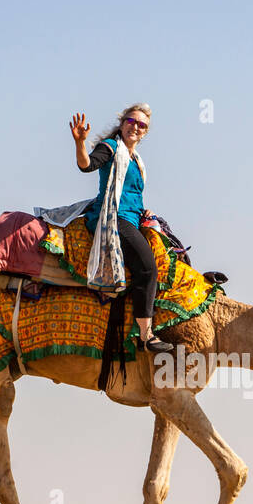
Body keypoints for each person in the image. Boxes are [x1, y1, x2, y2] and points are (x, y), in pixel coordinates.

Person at [70, 105, 174, 354]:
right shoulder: (111, 147)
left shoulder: (137, 160)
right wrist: (80, 143)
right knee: (147, 267)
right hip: (113, 217)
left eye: (142, 125)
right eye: (132, 121)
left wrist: (144, 210)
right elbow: (87, 165)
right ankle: (145, 336)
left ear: (145, 132)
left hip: (132, 217)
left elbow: (131, 194)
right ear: (123, 122)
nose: (136, 127)